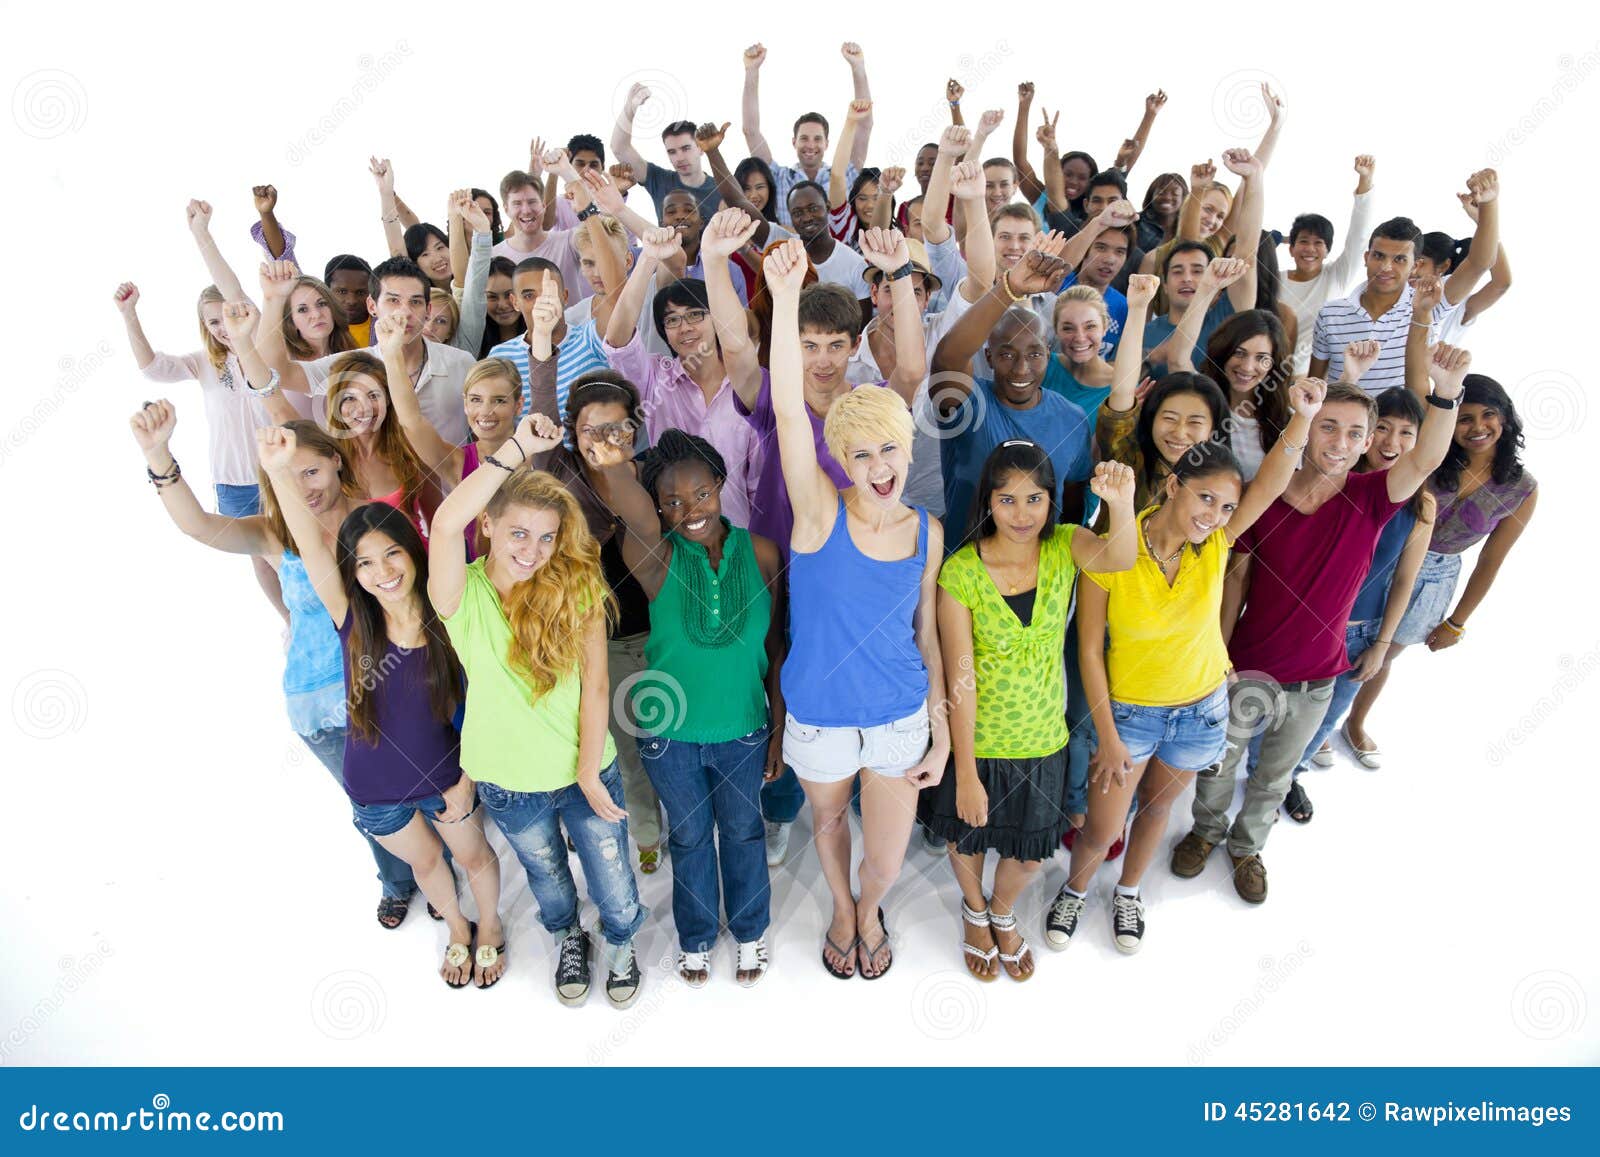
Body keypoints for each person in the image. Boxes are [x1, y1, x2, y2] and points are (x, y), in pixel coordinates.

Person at [1173, 347, 1472, 904]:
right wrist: (1220, 654)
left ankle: (1247, 847)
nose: (1339, 440)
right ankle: (1205, 832)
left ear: (1366, 443)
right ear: (1307, 431)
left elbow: (1426, 458)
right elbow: (1233, 583)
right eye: (1327, 426)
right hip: (1246, 667)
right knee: (1220, 763)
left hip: (1316, 677)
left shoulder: (1374, 498)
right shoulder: (1267, 494)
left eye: (1354, 432)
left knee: (1274, 776)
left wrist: (1447, 392)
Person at [129, 402, 442, 929]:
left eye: (313, 470)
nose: (305, 487)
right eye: (290, 477)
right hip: (320, 702)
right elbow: (199, 526)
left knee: (428, 788)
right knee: (371, 807)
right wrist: (159, 456)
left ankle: (441, 871)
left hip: (392, 689)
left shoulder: (375, 520)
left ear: (337, 461)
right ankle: (396, 881)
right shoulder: (275, 533)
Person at [1051, 375, 1326, 951]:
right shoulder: (1114, 545)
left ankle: (1129, 895)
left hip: (1200, 710)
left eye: (1227, 506)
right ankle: (1074, 892)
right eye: (1206, 499)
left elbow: (1270, 484)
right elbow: (1088, 650)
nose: (1216, 515)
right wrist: (1107, 735)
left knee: (1156, 811)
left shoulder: (1218, 542)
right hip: (1128, 715)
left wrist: (1301, 418)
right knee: (1102, 827)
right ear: (1173, 485)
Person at [257, 427, 507, 990]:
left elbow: (483, 703)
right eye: (364, 563)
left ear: (413, 552)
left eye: (391, 553)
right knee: (426, 867)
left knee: (473, 857)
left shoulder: (450, 615)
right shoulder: (352, 619)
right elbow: (312, 542)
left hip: (446, 777)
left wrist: (466, 776)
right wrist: (279, 473)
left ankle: (489, 923)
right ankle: (459, 930)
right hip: (373, 785)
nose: (382, 572)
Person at [763, 237, 950, 981]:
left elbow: (930, 640)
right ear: (840, 458)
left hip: (899, 713)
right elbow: (784, 408)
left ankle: (870, 902)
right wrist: (782, 302)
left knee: (888, 852)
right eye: (861, 455)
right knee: (829, 822)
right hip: (819, 712)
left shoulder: (927, 531)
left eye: (890, 452)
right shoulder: (815, 514)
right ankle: (844, 911)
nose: (878, 469)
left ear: (908, 451)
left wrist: (940, 736)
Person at [429, 415, 647, 1009]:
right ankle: (567, 935)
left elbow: (598, 687)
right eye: (519, 533)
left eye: (547, 537)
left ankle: (622, 939)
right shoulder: (461, 594)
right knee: (547, 874)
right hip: (507, 778)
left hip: (584, 770)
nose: (533, 550)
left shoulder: (575, 586)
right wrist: (518, 449)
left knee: (611, 873)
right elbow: (444, 523)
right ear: (489, 526)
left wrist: (584, 768)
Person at [924, 444, 1137, 981]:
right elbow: (960, 680)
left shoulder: (1066, 546)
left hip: (1044, 740)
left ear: (1050, 501)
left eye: (1035, 499)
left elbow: (1122, 557)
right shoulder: (961, 573)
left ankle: (1001, 909)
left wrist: (1122, 502)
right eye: (1008, 500)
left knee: (1030, 856)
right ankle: (975, 912)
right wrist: (967, 773)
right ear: (988, 503)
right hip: (981, 742)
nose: (1023, 514)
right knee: (965, 837)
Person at [599, 429, 787, 987]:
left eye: (700, 494)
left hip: (743, 727)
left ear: (721, 486)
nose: (690, 510)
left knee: (744, 832)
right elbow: (634, 514)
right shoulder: (655, 557)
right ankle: (697, 937)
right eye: (672, 502)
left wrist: (776, 732)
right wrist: (614, 468)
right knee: (688, 837)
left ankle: (750, 930)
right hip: (670, 736)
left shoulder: (762, 552)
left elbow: (775, 648)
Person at [1336, 372, 1536, 770]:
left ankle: (1353, 722)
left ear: (1506, 418)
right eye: (1465, 418)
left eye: (1488, 415)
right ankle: (1321, 723)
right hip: (1381, 551)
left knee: (1383, 655)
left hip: (1434, 576)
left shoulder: (1522, 488)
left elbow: (1491, 561)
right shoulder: (1432, 455)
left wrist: (1457, 622)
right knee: (1342, 641)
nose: (1477, 427)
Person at [1281, 387, 1436, 820]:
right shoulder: (1330, 484)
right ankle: (1262, 775)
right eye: (1383, 428)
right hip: (1307, 624)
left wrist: (1383, 644)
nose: (1392, 442)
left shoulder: (1419, 505)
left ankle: (1290, 776)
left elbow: (1405, 579)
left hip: (1360, 631)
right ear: (1367, 435)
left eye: (1407, 433)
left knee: (1327, 716)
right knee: (1277, 711)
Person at [602, 216, 764, 526]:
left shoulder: (747, 383)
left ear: (715, 318)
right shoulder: (655, 380)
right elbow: (618, 340)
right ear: (664, 332)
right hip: (676, 542)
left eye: (695, 315)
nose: (685, 328)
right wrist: (648, 257)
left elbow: (758, 480)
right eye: (672, 320)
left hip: (740, 539)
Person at [929, 242, 1094, 539]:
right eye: (1007, 354)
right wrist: (1010, 288)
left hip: (1039, 577)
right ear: (989, 357)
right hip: (964, 573)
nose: (1021, 369)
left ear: (1048, 352)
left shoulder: (1073, 418)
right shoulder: (968, 403)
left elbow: (1072, 507)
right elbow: (947, 357)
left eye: (1034, 354)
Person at [230, 306, 441, 535]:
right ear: (336, 402)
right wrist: (242, 342)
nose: (364, 408)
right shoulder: (323, 450)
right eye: (350, 397)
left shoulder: (411, 452)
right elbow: (276, 403)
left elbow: (437, 521)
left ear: (389, 400)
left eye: (374, 395)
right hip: (352, 567)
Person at [253, 256, 478, 446]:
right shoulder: (351, 364)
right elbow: (276, 371)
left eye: (416, 302)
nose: (405, 312)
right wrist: (273, 300)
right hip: (384, 497)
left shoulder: (461, 363)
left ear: (428, 310)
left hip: (455, 494)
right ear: (372, 306)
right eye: (393, 300)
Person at [1309, 169, 1499, 390]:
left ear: (1415, 266)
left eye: (1399, 259)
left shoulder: (1427, 303)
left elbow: (1480, 263)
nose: (1386, 267)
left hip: (1403, 423)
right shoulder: (1330, 314)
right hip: (1344, 422)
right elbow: (1315, 384)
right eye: (1378, 256)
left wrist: (1490, 204)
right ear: (1366, 257)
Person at [740, 42, 872, 228]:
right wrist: (751, 71)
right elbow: (750, 130)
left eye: (817, 139)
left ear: (827, 143)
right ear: (794, 142)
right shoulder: (779, 177)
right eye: (804, 138)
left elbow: (864, 125)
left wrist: (858, 67)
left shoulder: (845, 174)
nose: (811, 145)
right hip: (791, 254)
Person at [1279, 155, 1377, 372]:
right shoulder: (1274, 279)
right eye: (1303, 241)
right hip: (1268, 375)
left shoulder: (1335, 275)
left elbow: (1359, 236)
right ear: (1291, 248)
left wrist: (1364, 183)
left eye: (1318, 243)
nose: (1310, 249)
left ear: (1327, 250)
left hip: (1313, 377)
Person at [612, 87, 722, 221]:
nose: (680, 158)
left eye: (686, 148)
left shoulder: (722, 189)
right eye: (672, 152)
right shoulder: (659, 180)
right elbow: (619, 148)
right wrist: (630, 107)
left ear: (700, 148)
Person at [494, 168, 587, 301]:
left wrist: (564, 168)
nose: (526, 210)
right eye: (517, 204)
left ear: (543, 205)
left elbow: (603, 232)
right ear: (506, 209)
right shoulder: (495, 255)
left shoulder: (569, 241)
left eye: (532, 202)